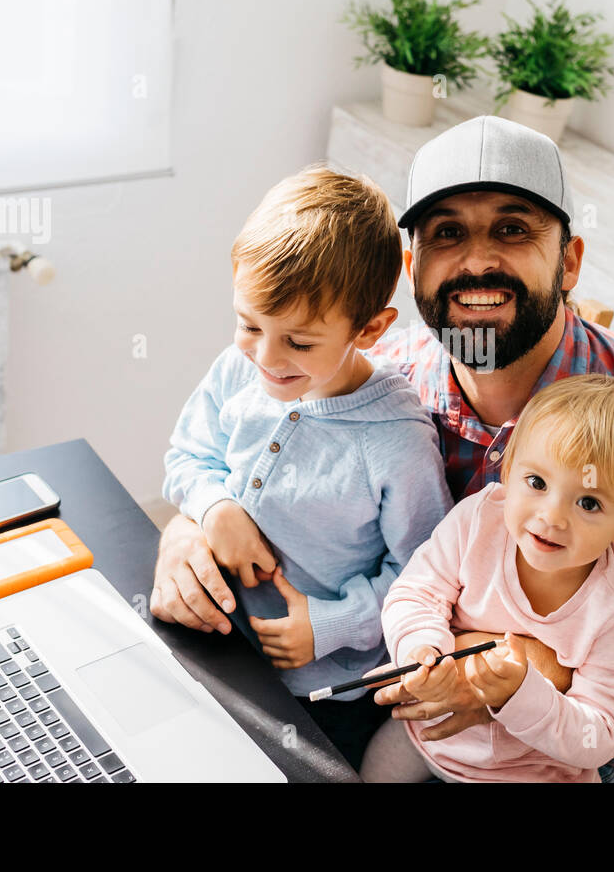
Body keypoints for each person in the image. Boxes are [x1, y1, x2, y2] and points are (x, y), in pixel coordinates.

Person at [154, 116, 614, 782]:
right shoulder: (376, 377)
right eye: (447, 233)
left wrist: (540, 677)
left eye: (513, 229)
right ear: (412, 269)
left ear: (570, 263)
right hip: (381, 724)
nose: (476, 261)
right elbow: (244, 452)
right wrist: (191, 526)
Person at [158, 165, 453, 769]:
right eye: (249, 325)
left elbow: (426, 576)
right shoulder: (239, 368)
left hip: (324, 687)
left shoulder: (395, 443)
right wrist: (215, 509)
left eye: (298, 342)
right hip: (219, 637)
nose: (265, 357)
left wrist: (331, 623)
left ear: (369, 329)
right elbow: (188, 454)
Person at [359, 374, 614, 782]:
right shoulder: (479, 521)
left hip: (532, 772)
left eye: (588, 502)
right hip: (427, 738)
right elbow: (416, 593)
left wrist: (521, 694)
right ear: (508, 471)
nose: (551, 517)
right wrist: (421, 649)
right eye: (537, 482)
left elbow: (601, 734)